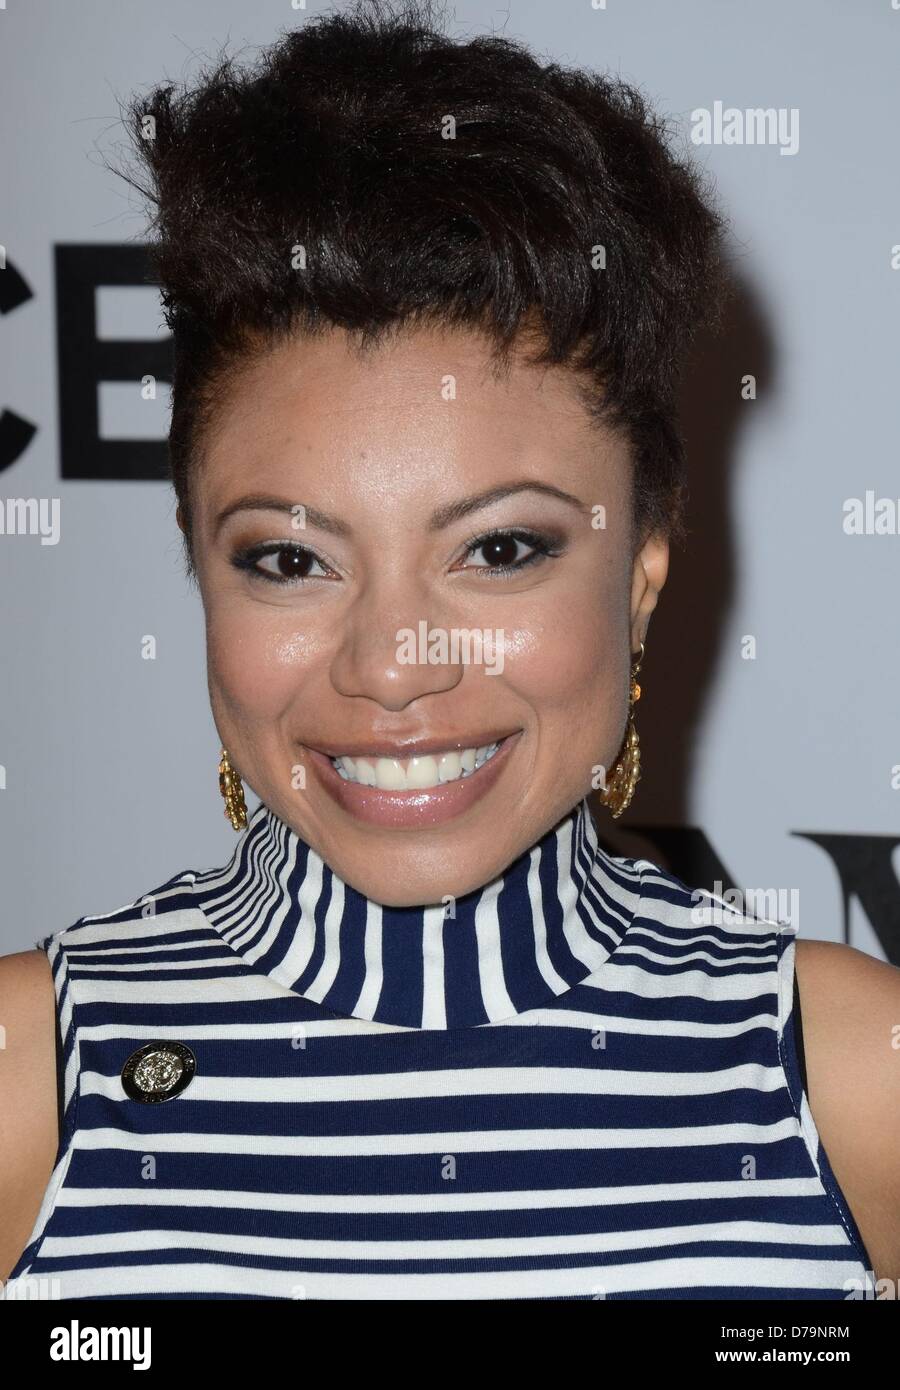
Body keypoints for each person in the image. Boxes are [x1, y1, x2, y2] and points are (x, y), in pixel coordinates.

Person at [2, 0, 898, 1300]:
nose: (393, 662)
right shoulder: (38, 1081)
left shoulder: (844, 1072)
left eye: (501, 549)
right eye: (290, 558)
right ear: (197, 560)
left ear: (643, 571)